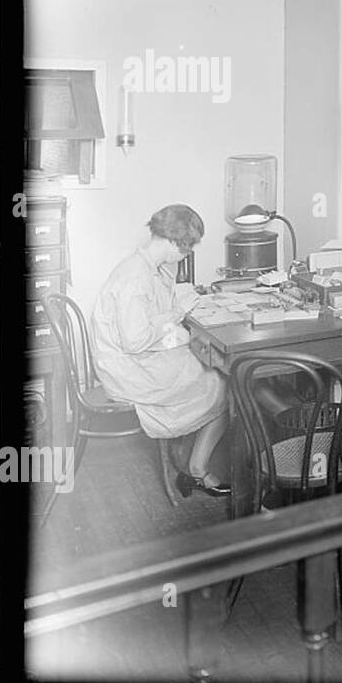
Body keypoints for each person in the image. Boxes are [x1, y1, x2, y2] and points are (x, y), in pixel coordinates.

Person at [91, 205, 230, 497]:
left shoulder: (143, 266)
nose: (188, 252)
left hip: (134, 359)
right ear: (172, 241)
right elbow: (135, 340)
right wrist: (177, 313)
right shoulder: (135, 278)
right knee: (224, 382)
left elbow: (148, 314)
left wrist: (178, 304)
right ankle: (197, 469)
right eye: (187, 246)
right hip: (129, 370)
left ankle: (188, 459)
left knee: (207, 361)